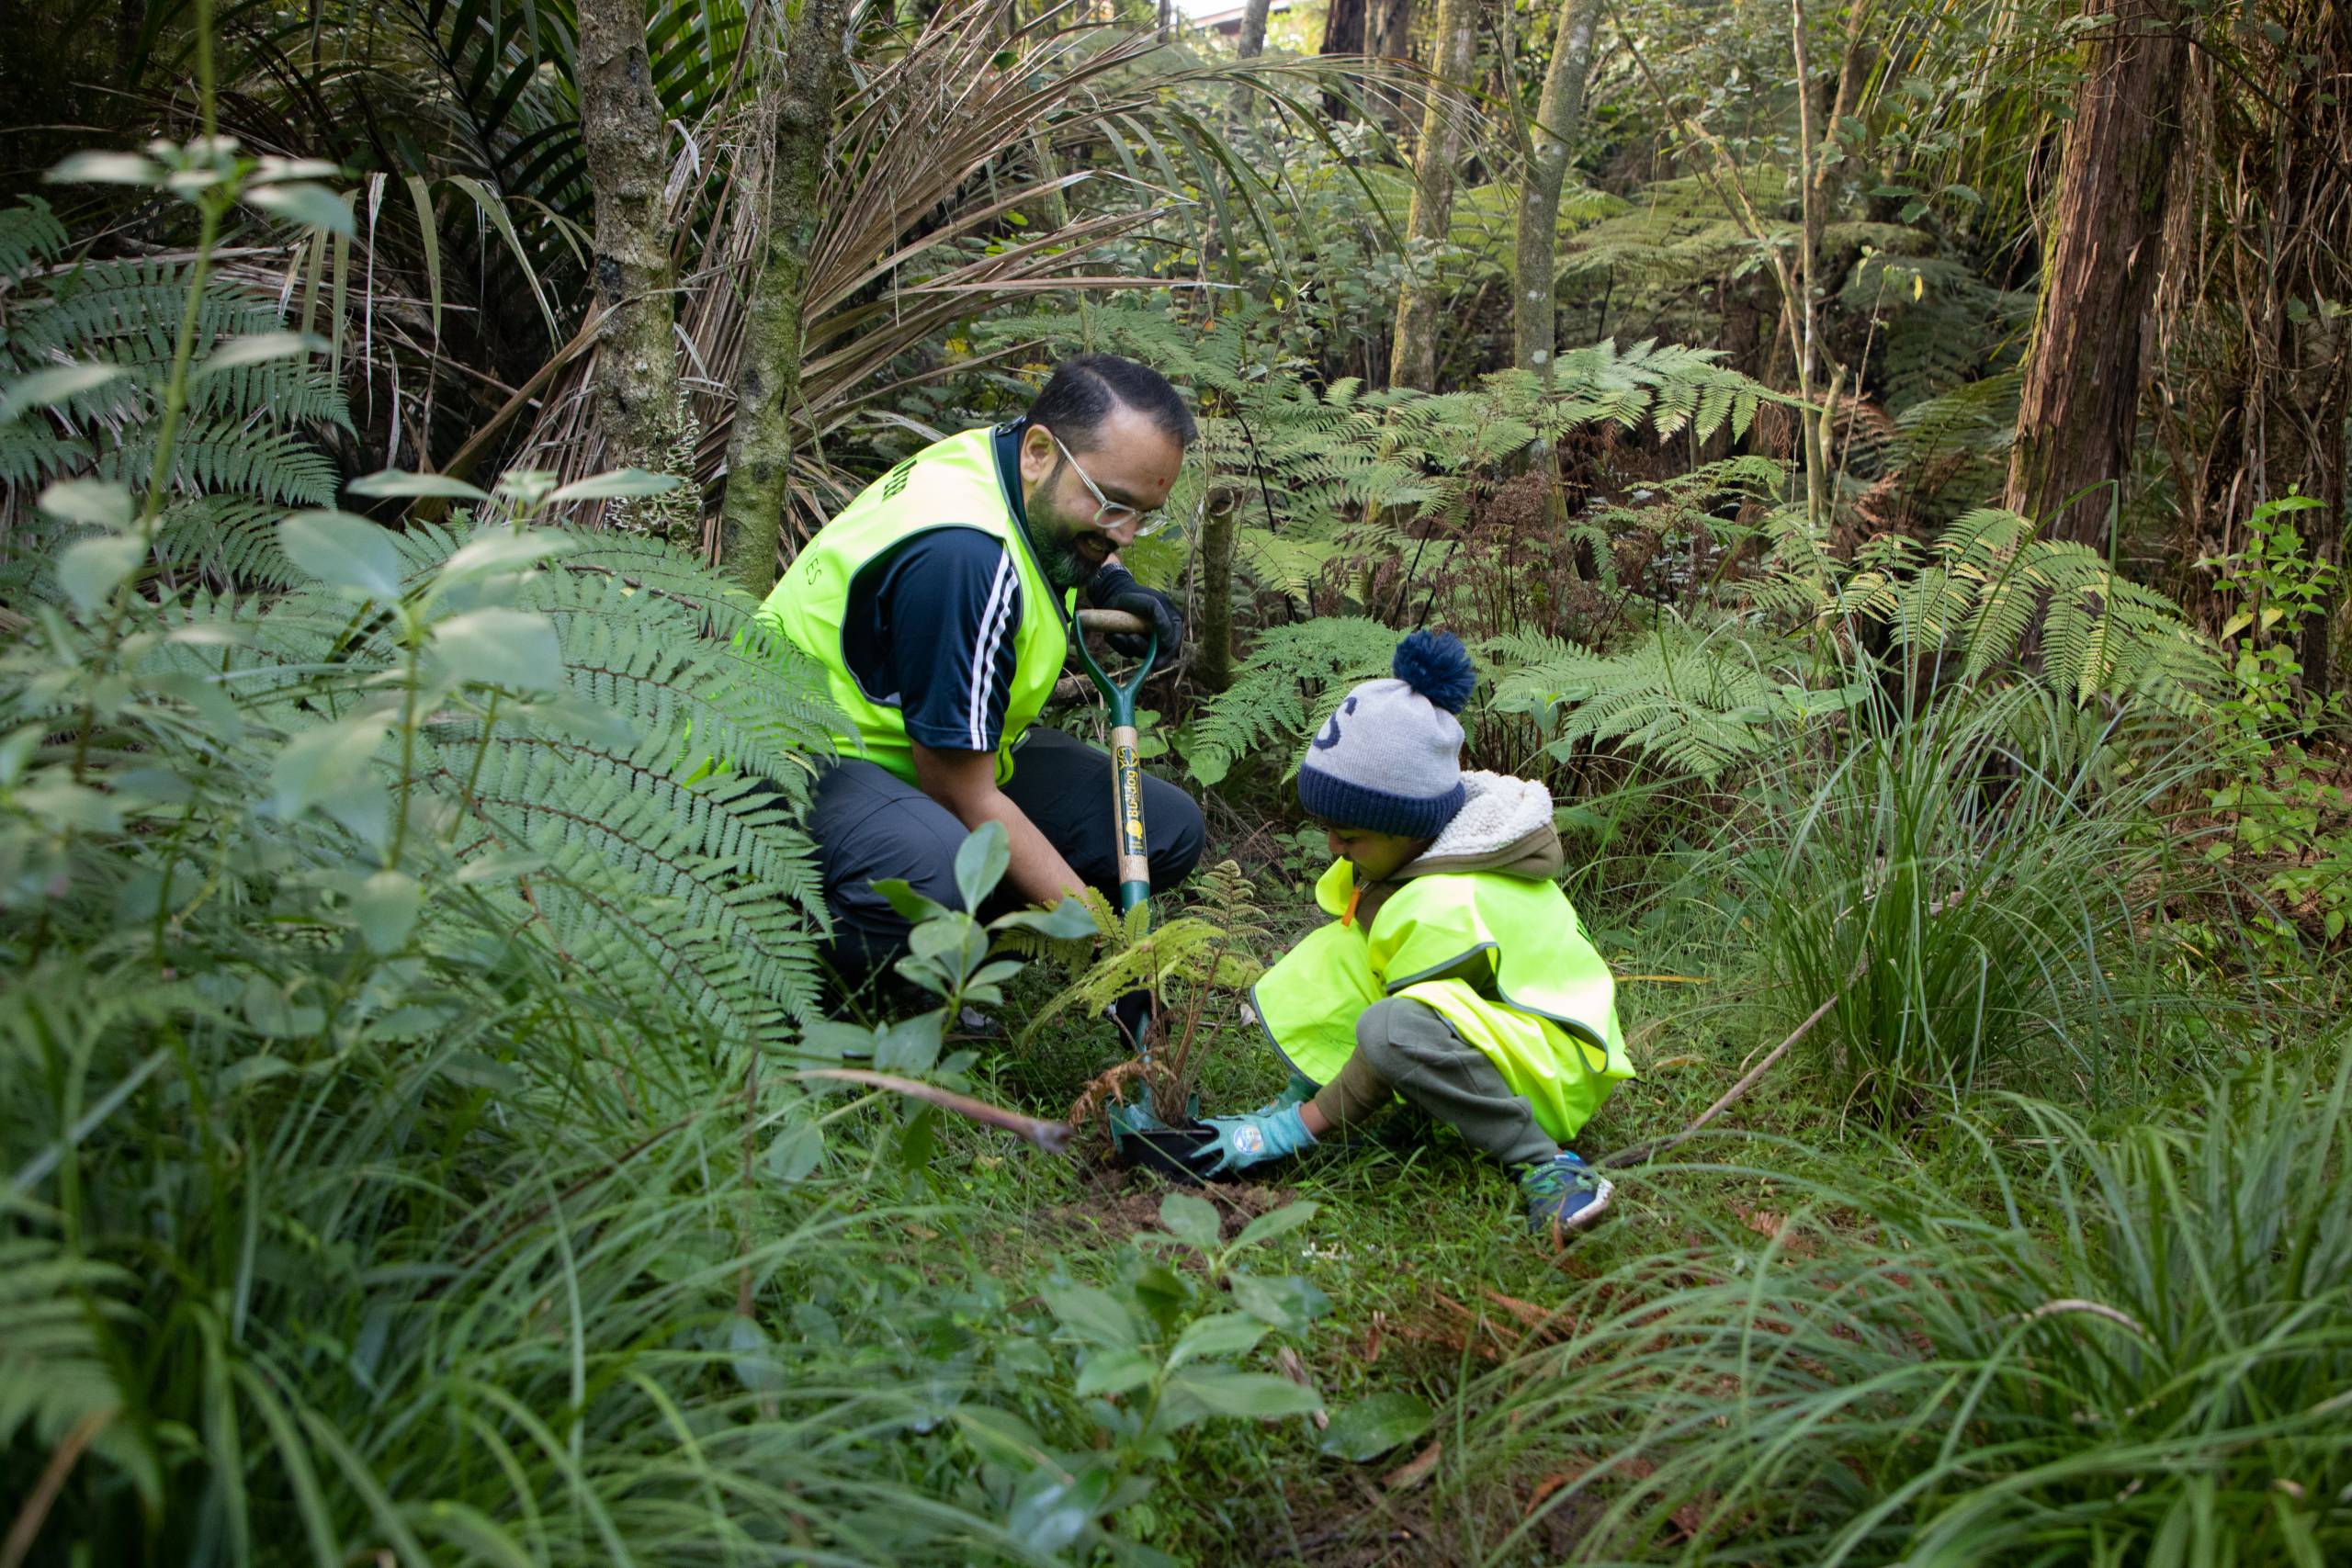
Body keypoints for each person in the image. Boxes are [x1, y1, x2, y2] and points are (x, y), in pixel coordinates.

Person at [756, 355, 1206, 984]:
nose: (1126, 534)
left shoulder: (1011, 463)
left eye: (1142, 515)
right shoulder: (965, 557)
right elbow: (957, 789)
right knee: (930, 865)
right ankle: (813, 983)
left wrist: (1113, 582)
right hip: (794, 761)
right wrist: (1114, 950)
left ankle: (969, 946)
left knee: (1167, 827)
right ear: (1040, 452)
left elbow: (1050, 530)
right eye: (1112, 506)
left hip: (918, 755)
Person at [1187, 630, 1636, 1235]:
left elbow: (1392, 1037)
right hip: (1499, 1034)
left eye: (1349, 833)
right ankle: (1404, 1108)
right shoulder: (1416, 859)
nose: (1333, 847)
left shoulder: (1451, 899)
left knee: (1392, 1027)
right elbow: (1358, 980)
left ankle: (1551, 1167)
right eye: (1325, 827)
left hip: (1556, 1060)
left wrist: (1301, 1126)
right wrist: (1295, 1096)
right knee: (1345, 950)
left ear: (1408, 823)